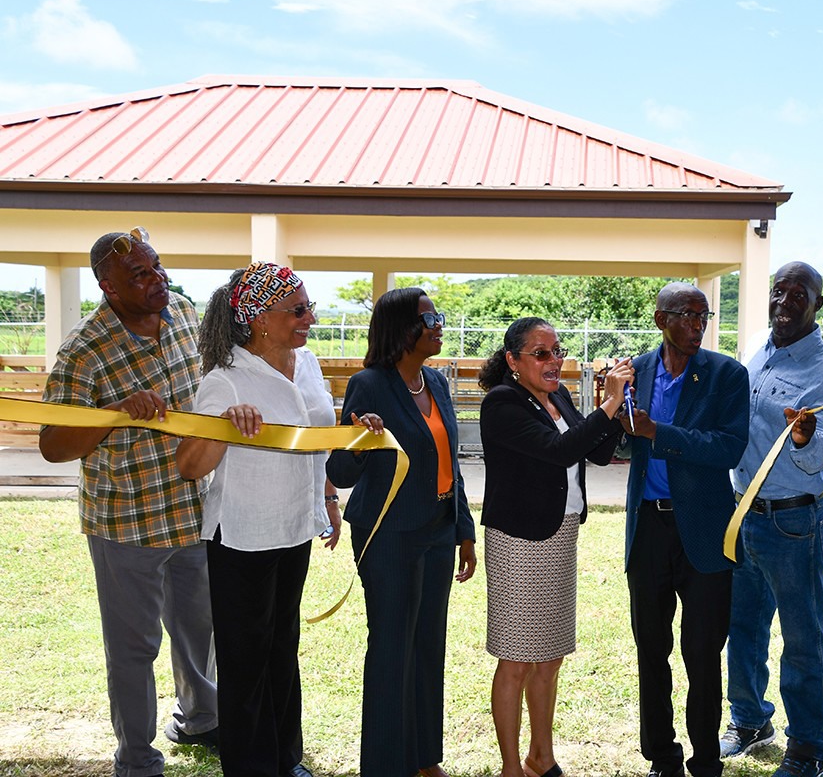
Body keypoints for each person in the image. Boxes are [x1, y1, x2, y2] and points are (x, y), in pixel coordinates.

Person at [40, 226, 219, 777]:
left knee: (199, 631)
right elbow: (52, 445)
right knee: (134, 648)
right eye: (139, 274)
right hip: (126, 523)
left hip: (192, 510)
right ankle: (137, 757)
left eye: (157, 266)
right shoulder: (84, 351)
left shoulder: (186, 314)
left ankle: (201, 720)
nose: (156, 280)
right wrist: (116, 411)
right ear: (108, 286)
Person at [176, 262, 342, 777]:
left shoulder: (308, 363)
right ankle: (250, 767)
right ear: (259, 319)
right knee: (246, 663)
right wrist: (224, 429)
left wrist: (329, 497)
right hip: (243, 536)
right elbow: (188, 466)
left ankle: (285, 759)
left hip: (296, 527)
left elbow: (316, 436)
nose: (309, 317)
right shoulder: (225, 381)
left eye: (308, 307)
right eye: (297, 309)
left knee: (281, 650)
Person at [326, 287, 477, 777]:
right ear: (400, 328)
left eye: (439, 315)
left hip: (436, 530)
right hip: (388, 535)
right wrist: (358, 440)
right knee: (393, 647)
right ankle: (388, 764)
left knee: (428, 646)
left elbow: (450, 461)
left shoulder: (436, 381)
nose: (438, 324)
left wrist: (463, 529)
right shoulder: (369, 385)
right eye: (428, 317)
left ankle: (424, 758)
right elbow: (342, 473)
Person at [478, 317, 633, 777]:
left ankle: (541, 758)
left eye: (558, 351)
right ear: (513, 360)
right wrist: (606, 405)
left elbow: (599, 453)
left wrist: (619, 410)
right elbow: (558, 450)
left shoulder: (559, 395)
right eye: (541, 353)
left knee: (550, 655)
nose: (554, 361)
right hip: (519, 540)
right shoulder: (502, 403)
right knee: (516, 659)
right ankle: (511, 766)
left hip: (561, 534)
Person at [723, 263, 823, 777]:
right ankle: (750, 720)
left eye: (800, 294)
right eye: (779, 290)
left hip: (793, 523)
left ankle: (808, 748)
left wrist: (803, 438)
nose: (786, 301)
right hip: (740, 512)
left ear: (817, 303)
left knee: (802, 637)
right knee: (742, 627)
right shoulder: (757, 348)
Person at [623, 282, 750, 777]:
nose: (697, 325)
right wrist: (611, 409)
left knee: (703, 652)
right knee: (651, 648)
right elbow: (617, 446)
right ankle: (661, 756)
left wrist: (660, 432)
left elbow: (727, 448)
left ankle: (705, 759)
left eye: (704, 316)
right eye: (686, 315)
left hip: (704, 532)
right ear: (661, 320)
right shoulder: (634, 370)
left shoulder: (725, 374)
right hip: (647, 530)